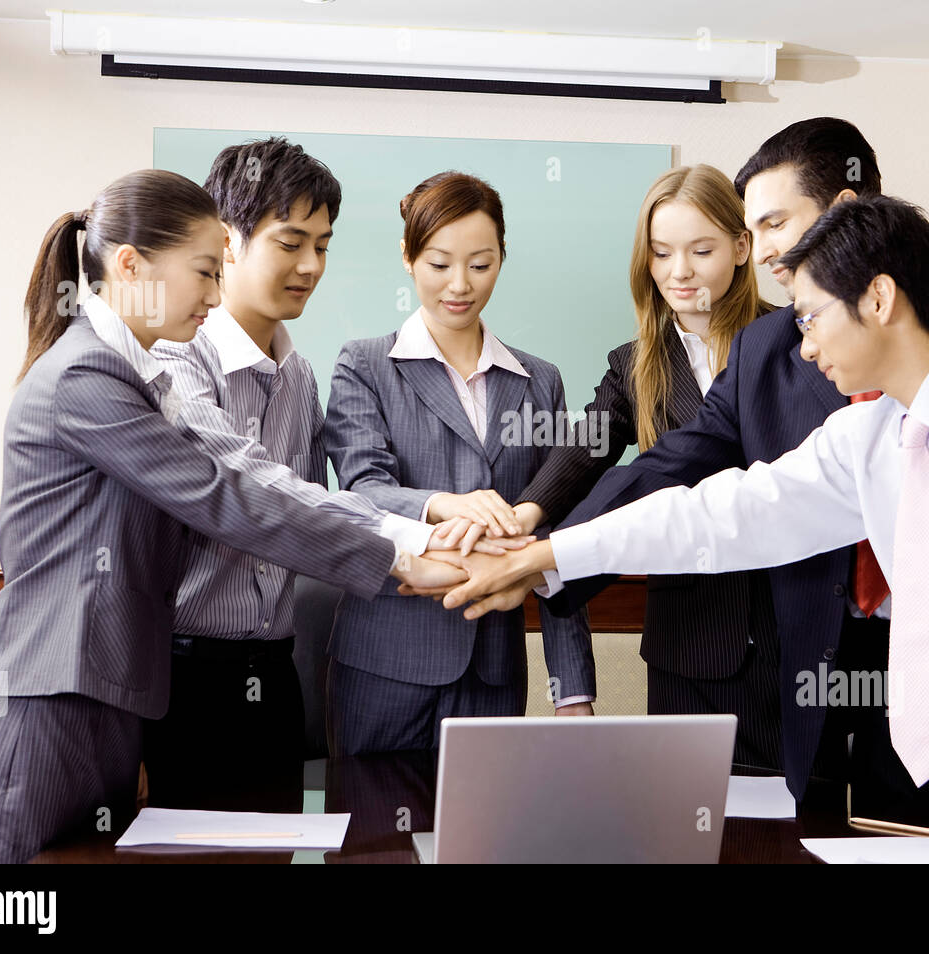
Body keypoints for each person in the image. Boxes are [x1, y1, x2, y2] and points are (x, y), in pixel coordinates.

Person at [431, 195, 929, 864]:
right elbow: (718, 514)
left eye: (809, 318)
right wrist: (549, 554)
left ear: (877, 299)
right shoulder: (869, 439)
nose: (801, 346)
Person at [469, 118, 929, 821]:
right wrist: (543, 555)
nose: (763, 253)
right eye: (753, 231)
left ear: (845, 211)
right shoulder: (767, 348)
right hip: (809, 663)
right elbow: (678, 470)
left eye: (774, 223)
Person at [0, 169, 464, 864]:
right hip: (48, 703)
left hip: (100, 699)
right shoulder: (89, 377)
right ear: (130, 265)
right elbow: (222, 497)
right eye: (205, 271)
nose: (215, 293)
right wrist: (393, 560)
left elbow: (251, 478)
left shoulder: (138, 375)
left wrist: (403, 539)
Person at [143, 139, 511, 810]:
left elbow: (319, 512)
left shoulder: (299, 375)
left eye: (323, 245)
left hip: (277, 672)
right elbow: (256, 487)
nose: (311, 266)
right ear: (228, 241)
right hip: (184, 673)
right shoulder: (176, 358)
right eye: (290, 243)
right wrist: (413, 546)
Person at [503, 164, 780, 767]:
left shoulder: (793, 341)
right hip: (690, 644)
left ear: (741, 247)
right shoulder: (635, 365)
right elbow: (584, 450)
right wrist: (526, 517)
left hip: (791, 638)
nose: (679, 272)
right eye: (661, 254)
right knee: (686, 827)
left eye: (701, 250)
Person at [322, 171, 595, 755]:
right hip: (384, 663)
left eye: (481, 263)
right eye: (439, 263)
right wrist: (443, 503)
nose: (460, 285)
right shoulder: (365, 365)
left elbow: (554, 532)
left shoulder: (539, 381)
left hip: (492, 670)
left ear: (502, 257)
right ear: (408, 256)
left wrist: (571, 688)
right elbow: (362, 490)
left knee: (482, 842)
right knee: (374, 840)